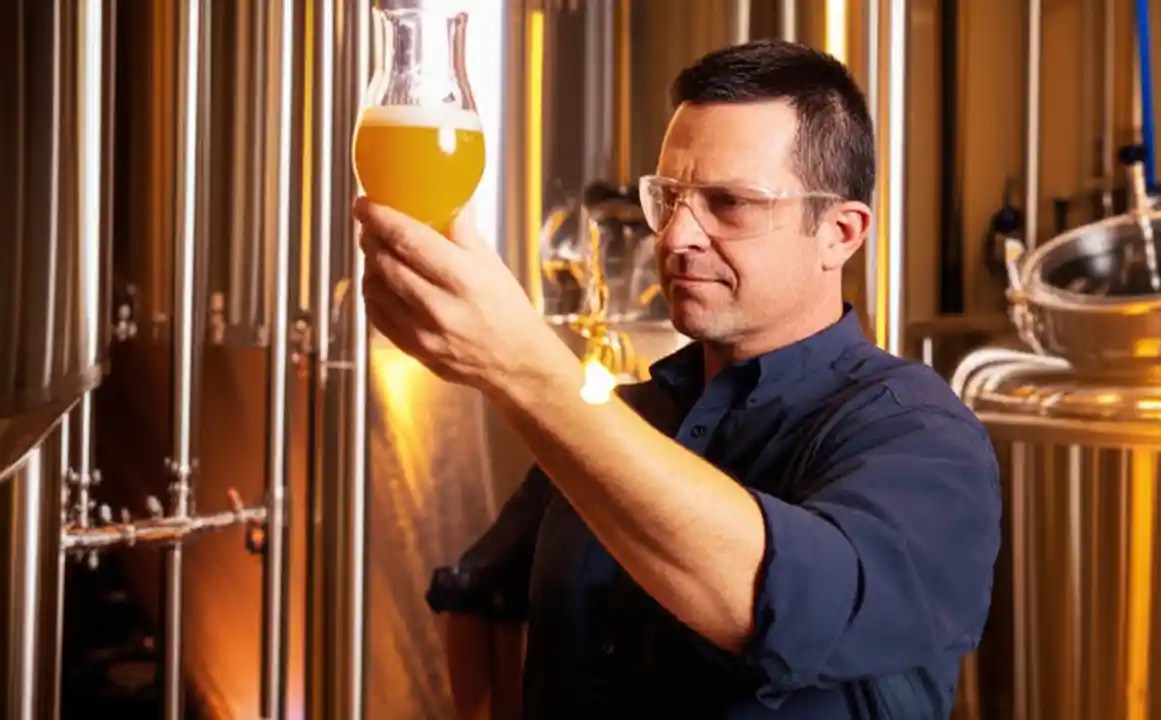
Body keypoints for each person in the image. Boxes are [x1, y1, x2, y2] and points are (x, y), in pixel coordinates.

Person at [355, 38, 1002, 720]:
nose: (676, 237)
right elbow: (482, 597)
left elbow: (765, 600)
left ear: (841, 232)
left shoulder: (918, 435)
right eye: (668, 197)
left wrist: (525, 368)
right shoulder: (623, 412)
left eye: (730, 203)